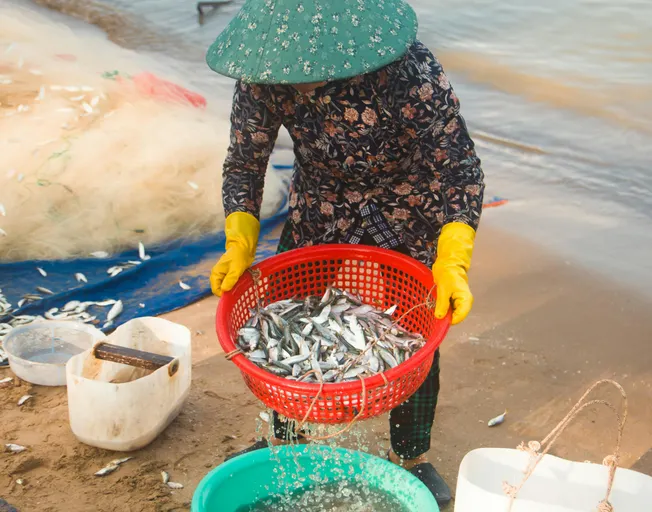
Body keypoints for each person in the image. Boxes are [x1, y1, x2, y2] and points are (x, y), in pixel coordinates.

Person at [206, 0, 485, 505]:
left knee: (416, 332)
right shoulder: (264, 73)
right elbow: (244, 162)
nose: (300, 86)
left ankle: (411, 457)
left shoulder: (408, 72)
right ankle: (285, 442)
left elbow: (458, 170)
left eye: (311, 76)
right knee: (285, 315)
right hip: (322, 200)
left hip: (407, 203)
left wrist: (452, 259)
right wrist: (240, 237)